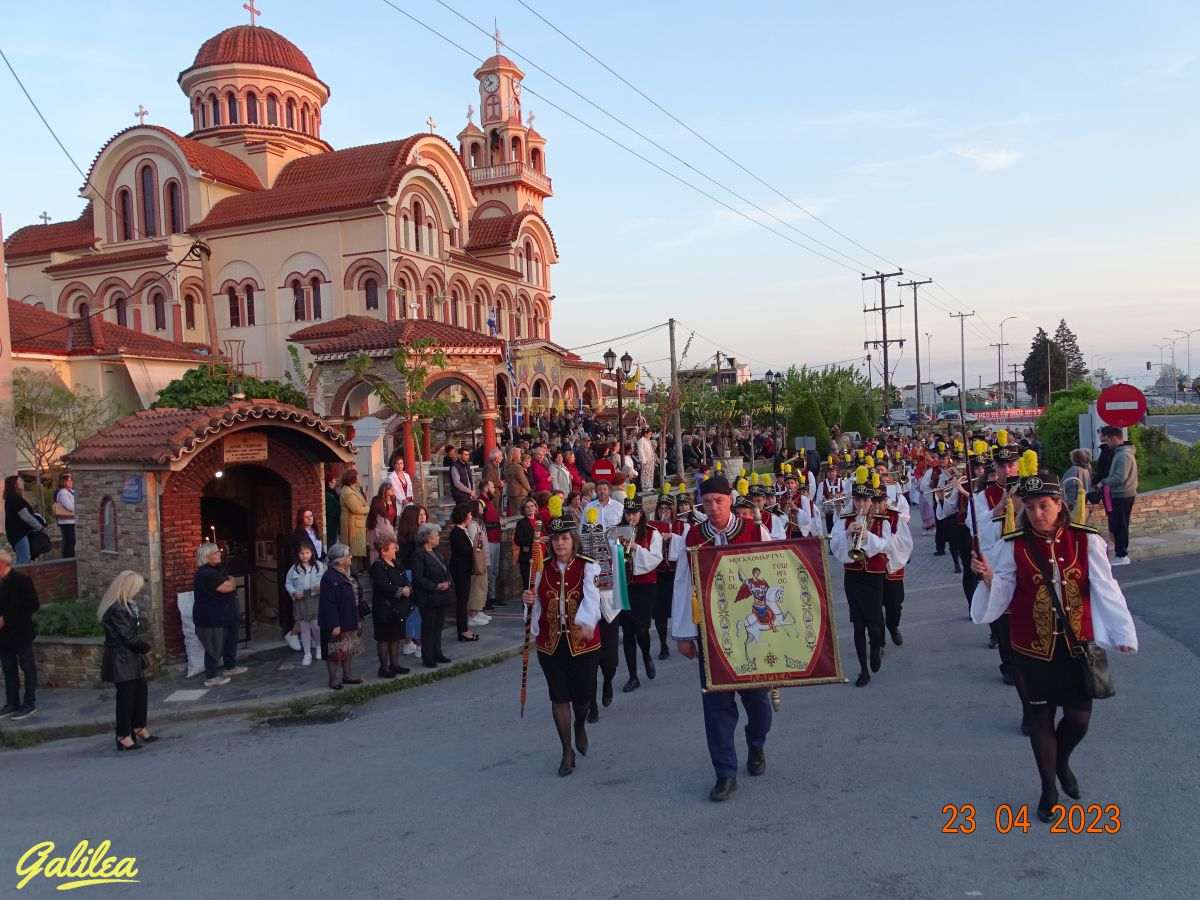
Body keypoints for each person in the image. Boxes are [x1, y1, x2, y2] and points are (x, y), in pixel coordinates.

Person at [970, 466, 1137, 822]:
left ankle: (1061, 761)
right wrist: (987, 579)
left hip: (1075, 647)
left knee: (1078, 718)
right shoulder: (1011, 545)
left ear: (1059, 504)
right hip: (1031, 649)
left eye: (1043, 505)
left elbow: (1106, 588)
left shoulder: (1085, 539)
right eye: (1030, 507)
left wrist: (1122, 633)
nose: (1037, 514)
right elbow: (1004, 592)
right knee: (1040, 719)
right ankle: (1047, 788)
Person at [670, 474, 772, 802]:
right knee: (716, 706)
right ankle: (725, 773)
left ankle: (756, 743)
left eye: (719, 501)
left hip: (750, 632)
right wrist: (684, 633)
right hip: (711, 633)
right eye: (707, 502)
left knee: (758, 703)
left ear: (730, 501)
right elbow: (684, 584)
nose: (713, 508)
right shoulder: (694, 536)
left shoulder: (754, 530)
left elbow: (773, 571)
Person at [522, 499, 602, 777]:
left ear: (573, 540)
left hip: (583, 644)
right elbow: (537, 604)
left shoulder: (588, 566)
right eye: (555, 539)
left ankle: (581, 723)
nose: (560, 544)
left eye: (565, 538)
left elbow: (593, 600)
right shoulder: (541, 568)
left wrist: (586, 623)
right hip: (550, 644)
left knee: (583, 697)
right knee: (558, 697)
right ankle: (566, 751)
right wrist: (528, 601)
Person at [830, 470, 895, 688]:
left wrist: (868, 537)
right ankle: (863, 670)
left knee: (875, 625)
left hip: (874, 576)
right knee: (858, 625)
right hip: (853, 577)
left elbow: (886, 545)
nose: (861, 505)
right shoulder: (844, 520)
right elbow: (835, 548)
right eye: (857, 500)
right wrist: (848, 533)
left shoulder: (881, 518)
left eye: (865, 500)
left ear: (870, 500)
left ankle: (876, 646)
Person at [98, 570, 154, 750]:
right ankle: (123, 734)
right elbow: (127, 637)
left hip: (129, 658)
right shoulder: (118, 609)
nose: (138, 590)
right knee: (126, 698)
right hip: (121, 659)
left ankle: (138, 726)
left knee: (140, 692)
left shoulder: (126, 606)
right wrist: (144, 647)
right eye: (136, 587)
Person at [616, 489, 663, 692]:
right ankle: (633, 676)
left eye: (634, 513)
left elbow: (656, 558)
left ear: (641, 514)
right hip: (624, 586)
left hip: (645, 586)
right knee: (627, 632)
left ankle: (646, 655)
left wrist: (636, 548)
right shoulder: (616, 532)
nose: (631, 517)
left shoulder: (652, 533)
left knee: (642, 629)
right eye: (628, 514)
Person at [192, 543, 247, 687]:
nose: (219, 554)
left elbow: (230, 579)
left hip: (227, 615)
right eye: (215, 553)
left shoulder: (218, 569)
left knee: (230, 642)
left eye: (218, 552)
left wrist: (231, 580)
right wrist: (231, 582)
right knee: (214, 647)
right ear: (206, 556)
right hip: (212, 618)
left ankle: (230, 666)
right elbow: (228, 586)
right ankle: (211, 676)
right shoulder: (205, 573)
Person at [0, 548, 39, 719]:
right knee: (8, 669)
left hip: (21, 632)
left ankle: (29, 703)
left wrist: (6, 619)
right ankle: (12, 703)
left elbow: (32, 605)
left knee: (27, 667)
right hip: (3, 636)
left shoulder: (22, 581)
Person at [319, 544, 363, 690]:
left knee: (348, 649)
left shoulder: (348, 574)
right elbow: (328, 603)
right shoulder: (329, 577)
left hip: (350, 617)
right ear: (338, 560)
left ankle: (347, 675)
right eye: (347, 555)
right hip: (338, 620)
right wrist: (334, 624)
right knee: (334, 651)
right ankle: (333, 679)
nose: (350, 557)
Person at [411, 523, 454, 668]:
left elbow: (445, 569)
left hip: (441, 596)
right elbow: (419, 577)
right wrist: (435, 586)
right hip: (428, 597)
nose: (438, 538)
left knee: (438, 626)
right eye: (436, 535)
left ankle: (438, 652)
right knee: (428, 627)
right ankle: (428, 656)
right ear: (428, 538)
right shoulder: (419, 554)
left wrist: (448, 581)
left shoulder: (437, 553)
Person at [370, 538, 412, 678]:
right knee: (384, 638)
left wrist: (407, 587)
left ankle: (395, 664)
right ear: (383, 551)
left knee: (396, 637)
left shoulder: (396, 563)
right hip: (384, 607)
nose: (396, 550)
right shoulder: (378, 566)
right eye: (393, 548)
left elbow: (404, 577)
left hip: (398, 606)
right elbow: (382, 585)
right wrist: (400, 590)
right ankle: (384, 667)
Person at [1097, 426, 1137, 566]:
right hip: (1122, 494)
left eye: (1107, 440)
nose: (1106, 444)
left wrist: (1104, 482)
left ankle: (1122, 554)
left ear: (1114, 438)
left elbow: (1120, 477)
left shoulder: (1123, 455)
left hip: (1122, 495)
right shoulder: (1121, 453)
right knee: (1119, 524)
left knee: (1120, 525)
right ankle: (1121, 553)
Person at [284, 542, 324, 666]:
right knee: (304, 627)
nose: (305, 556)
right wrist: (294, 592)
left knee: (316, 625)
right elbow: (288, 583)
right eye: (302, 553)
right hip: (300, 600)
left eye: (307, 553)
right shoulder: (294, 568)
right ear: (298, 554)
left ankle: (319, 646)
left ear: (311, 553)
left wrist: (320, 587)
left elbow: (326, 580)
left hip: (314, 598)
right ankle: (307, 653)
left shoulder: (319, 566)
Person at [396, 504, 428, 658]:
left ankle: (410, 641)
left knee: (411, 609)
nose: (423, 518)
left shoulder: (411, 536)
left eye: (424, 514)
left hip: (410, 573)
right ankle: (417, 641)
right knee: (415, 609)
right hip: (411, 574)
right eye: (419, 515)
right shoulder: (412, 538)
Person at [448, 502, 481, 642]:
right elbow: (464, 550)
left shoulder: (462, 531)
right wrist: (475, 549)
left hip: (465, 569)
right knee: (462, 601)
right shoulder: (457, 533)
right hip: (460, 570)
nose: (471, 517)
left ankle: (464, 628)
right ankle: (463, 630)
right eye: (469, 515)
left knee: (464, 600)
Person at [3, 475, 45, 565]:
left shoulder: (12, 498)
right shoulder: (15, 499)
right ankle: (14, 578)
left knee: (24, 558)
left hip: (16, 533)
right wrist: (40, 527)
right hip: (18, 533)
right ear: (15, 485)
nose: (23, 482)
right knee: (24, 559)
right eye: (20, 481)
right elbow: (26, 516)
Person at [479, 481, 504, 610]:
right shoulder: (481, 503)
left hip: (496, 538)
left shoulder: (489, 502)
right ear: (485, 488)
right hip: (488, 540)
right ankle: (488, 598)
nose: (494, 489)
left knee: (494, 570)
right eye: (492, 487)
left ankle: (493, 596)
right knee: (489, 571)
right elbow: (481, 522)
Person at [339, 470, 369, 569]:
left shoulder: (354, 489)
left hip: (357, 523)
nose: (359, 478)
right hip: (352, 525)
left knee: (357, 549)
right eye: (357, 476)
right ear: (353, 479)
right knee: (353, 549)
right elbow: (356, 508)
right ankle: (353, 570)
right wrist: (369, 508)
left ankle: (357, 569)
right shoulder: (348, 492)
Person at [366, 482, 398, 564]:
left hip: (389, 527)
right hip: (377, 526)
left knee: (389, 546)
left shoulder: (393, 499)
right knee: (376, 549)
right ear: (385, 490)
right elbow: (376, 514)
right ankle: (375, 566)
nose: (393, 490)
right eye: (390, 489)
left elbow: (394, 514)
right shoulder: (376, 500)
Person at [53, 472, 76, 559]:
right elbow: (70, 507)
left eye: (71, 480)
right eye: (68, 480)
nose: (71, 482)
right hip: (66, 522)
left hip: (72, 520)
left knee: (72, 541)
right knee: (69, 541)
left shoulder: (71, 492)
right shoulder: (63, 493)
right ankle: (68, 558)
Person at [504, 447, 531, 516]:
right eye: (519, 454)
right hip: (520, 493)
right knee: (520, 513)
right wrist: (530, 490)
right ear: (515, 456)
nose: (520, 455)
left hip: (511, 493)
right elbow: (523, 481)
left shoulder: (508, 466)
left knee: (514, 513)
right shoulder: (517, 467)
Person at [324, 473, 342, 551]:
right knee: (332, 549)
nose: (335, 481)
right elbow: (334, 511)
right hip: (331, 526)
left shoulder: (332, 493)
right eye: (334, 480)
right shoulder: (329, 495)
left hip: (333, 526)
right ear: (329, 482)